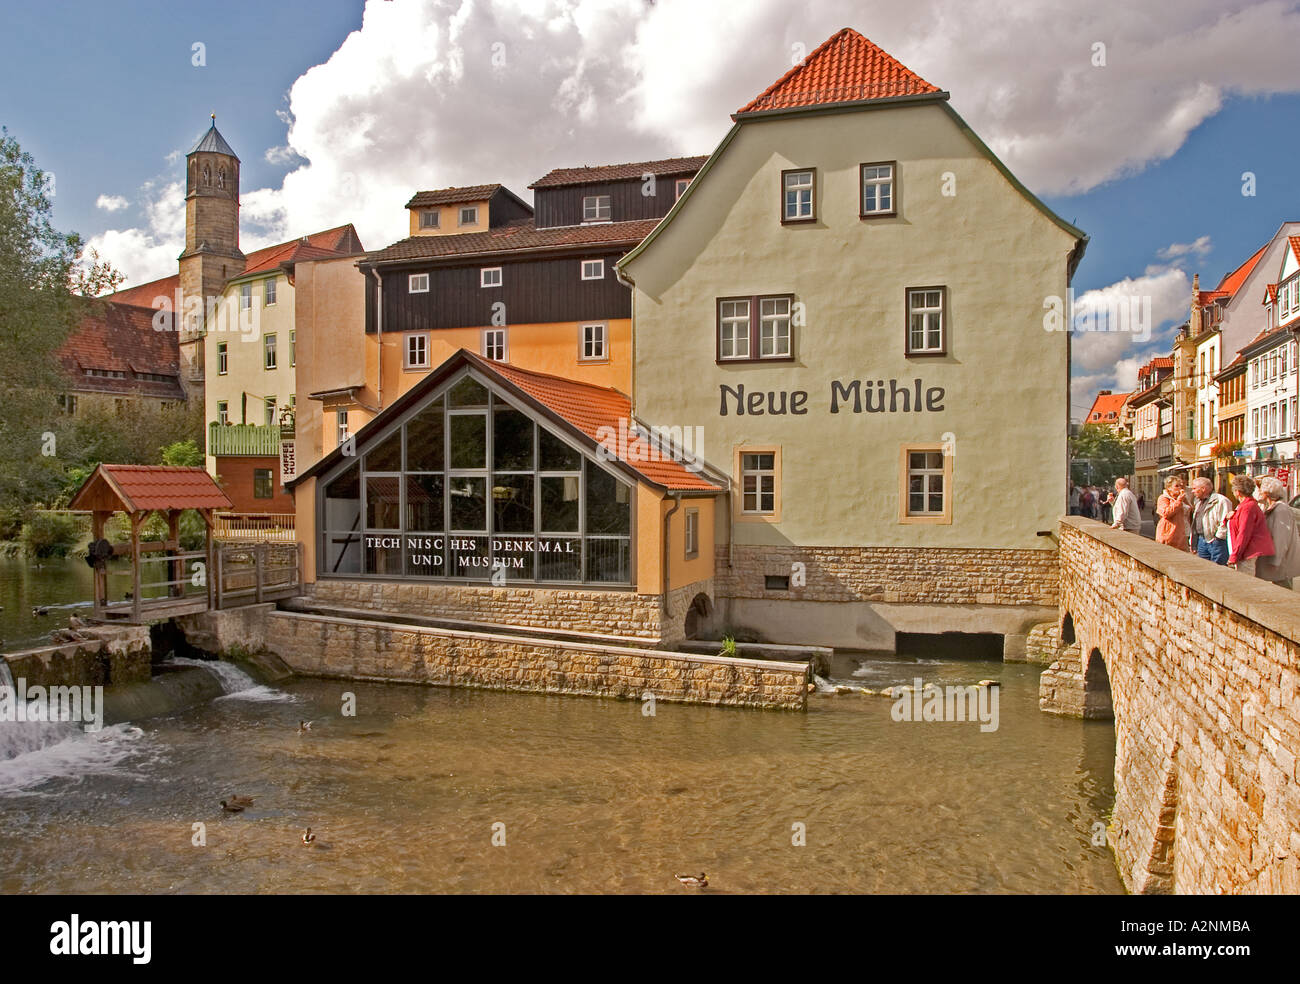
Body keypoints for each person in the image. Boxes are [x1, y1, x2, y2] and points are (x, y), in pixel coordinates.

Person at [1255, 477, 1299, 588]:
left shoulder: (1281, 510)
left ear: (1267, 492)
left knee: (1283, 589)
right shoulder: (1271, 507)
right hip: (1276, 561)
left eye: (1261, 490)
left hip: (1281, 563)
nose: (1259, 492)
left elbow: (1281, 538)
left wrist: (1276, 560)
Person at [1227, 474, 1274, 575]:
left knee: (1244, 582)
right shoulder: (1245, 505)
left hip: (1247, 553)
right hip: (1245, 551)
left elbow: (1244, 533)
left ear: (1237, 492)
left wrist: (1234, 556)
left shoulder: (1248, 507)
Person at [1189, 477, 1231, 565]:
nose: (1192, 491)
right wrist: (1194, 542)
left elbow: (1225, 521)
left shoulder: (1221, 501)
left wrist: (1218, 537)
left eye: (1194, 488)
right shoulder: (1198, 502)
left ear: (1203, 489)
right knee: (1204, 567)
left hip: (1215, 541)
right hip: (1202, 540)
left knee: (1218, 568)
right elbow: (1196, 522)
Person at [1155, 476, 1191, 551]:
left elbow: (1190, 510)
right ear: (1169, 488)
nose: (1180, 488)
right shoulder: (1164, 498)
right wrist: (1179, 501)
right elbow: (1166, 513)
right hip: (1169, 533)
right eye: (1176, 486)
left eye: (1181, 486)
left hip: (1183, 533)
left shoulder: (1182, 498)